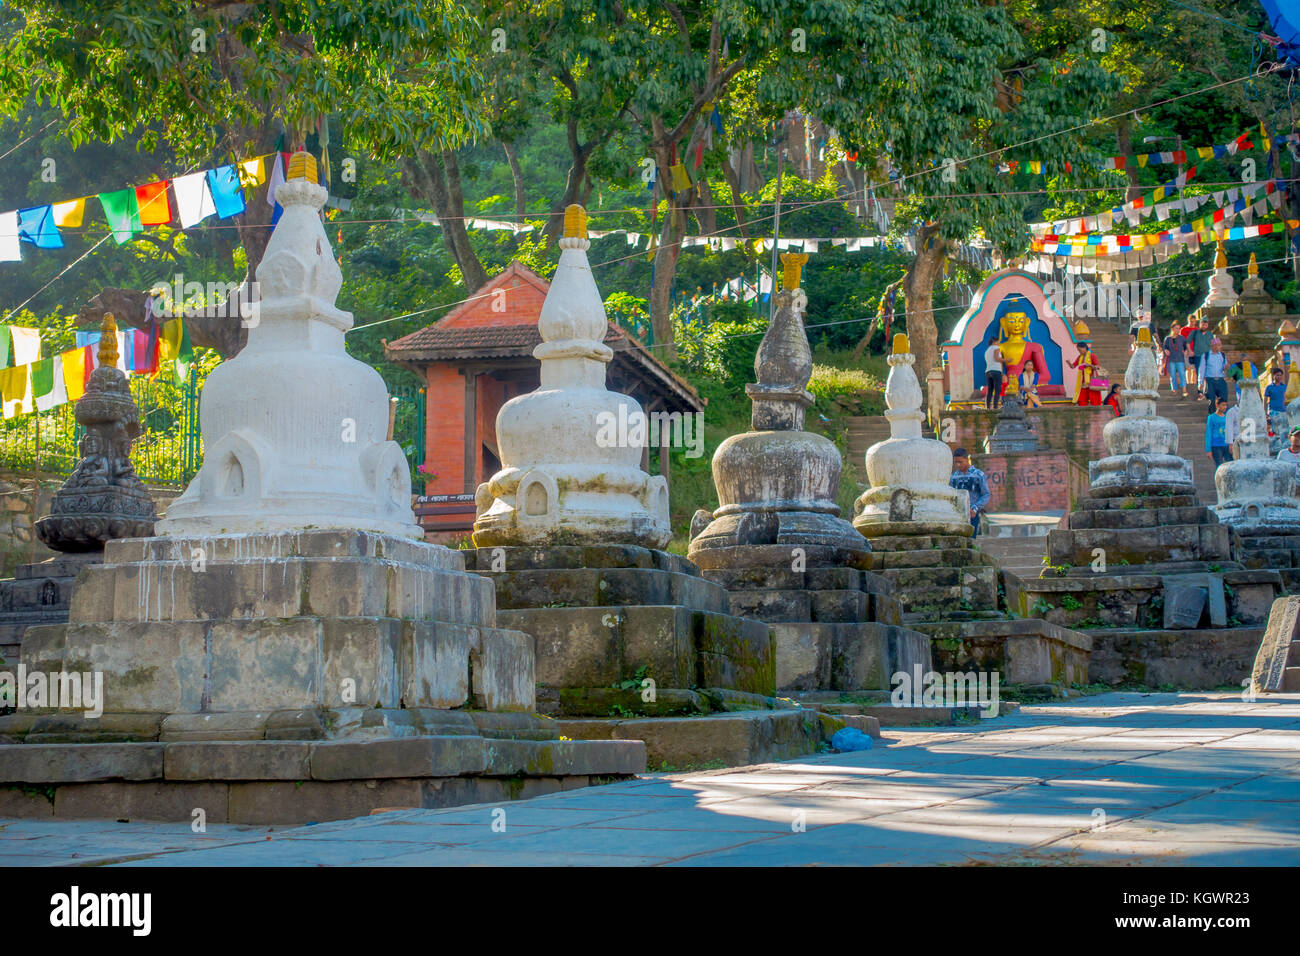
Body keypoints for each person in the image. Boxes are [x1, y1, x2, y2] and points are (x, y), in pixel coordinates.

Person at [950, 447, 991, 536]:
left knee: (971, 541)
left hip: (972, 513)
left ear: (967, 459)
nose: (958, 465)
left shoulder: (978, 475)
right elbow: (950, 494)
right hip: (957, 514)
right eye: (956, 462)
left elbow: (986, 494)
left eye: (960, 462)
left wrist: (975, 508)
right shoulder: (953, 477)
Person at [1199, 337, 1229, 410]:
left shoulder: (1222, 355)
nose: (1219, 347)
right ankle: (1212, 416)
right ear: (1212, 346)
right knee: (1211, 400)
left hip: (1220, 380)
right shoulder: (1206, 355)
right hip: (1210, 380)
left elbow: (1225, 367)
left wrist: (1227, 368)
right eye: (1217, 345)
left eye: (1220, 345)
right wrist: (1200, 383)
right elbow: (1202, 369)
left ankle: (1223, 417)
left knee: (1223, 400)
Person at [1163, 322, 1188, 398]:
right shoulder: (1168, 339)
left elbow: (1185, 345)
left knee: (1182, 374)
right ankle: (1174, 389)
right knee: (1173, 375)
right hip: (1171, 359)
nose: (1178, 330)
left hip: (1180, 358)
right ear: (1172, 329)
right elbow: (1165, 347)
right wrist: (1166, 350)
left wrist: (1186, 350)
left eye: (1179, 328)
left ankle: (1184, 389)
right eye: (1176, 328)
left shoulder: (1182, 338)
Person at [1189, 318, 1214, 396]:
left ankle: (1207, 391)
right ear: (1200, 324)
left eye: (1206, 324)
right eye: (1203, 324)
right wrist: (1190, 351)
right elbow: (1187, 342)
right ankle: (1199, 392)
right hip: (1198, 355)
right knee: (1199, 374)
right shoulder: (1195, 332)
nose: (1204, 326)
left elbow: (1213, 345)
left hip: (1208, 355)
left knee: (1208, 373)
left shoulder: (1210, 334)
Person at [1068, 340, 1097, 405]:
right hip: (1083, 382)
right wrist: (1069, 363)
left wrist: (1088, 365)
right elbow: (1073, 366)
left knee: (1094, 400)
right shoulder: (1079, 357)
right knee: (1081, 400)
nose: (1079, 352)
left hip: (1092, 380)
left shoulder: (1092, 356)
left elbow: (1097, 367)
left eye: (1080, 350)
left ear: (1084, 348)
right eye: (1078, 350)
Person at [1206, 397, 1232, 468]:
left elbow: (1230, 431)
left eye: (1226, 405)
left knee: (1230, 465)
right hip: (1216, 445)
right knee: (1219, 466)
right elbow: (1208, 433)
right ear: (1217, 405)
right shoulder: (1211, 417)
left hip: (1227, 444)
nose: (1225, 407)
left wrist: (1231, 444)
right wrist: (1208, 449)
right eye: (1223, 405)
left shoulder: (1227, 417)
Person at [1277, 426, 1300, 492]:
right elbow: (1279, 472)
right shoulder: (1283, 454)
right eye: (1296, 436)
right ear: (1289, 437)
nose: (1299, 438)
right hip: (1289, 489)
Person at [983, 338, 1003, 410]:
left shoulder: (987, 351)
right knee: (997, 389)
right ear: (994, 342)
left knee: (990, 390)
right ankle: (995, 407)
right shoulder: (996, 347)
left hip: (988, 371)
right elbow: (997, 358)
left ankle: (987, 407)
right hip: (996, 370)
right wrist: (1005, 360)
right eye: (998, 342)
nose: (998, 343)